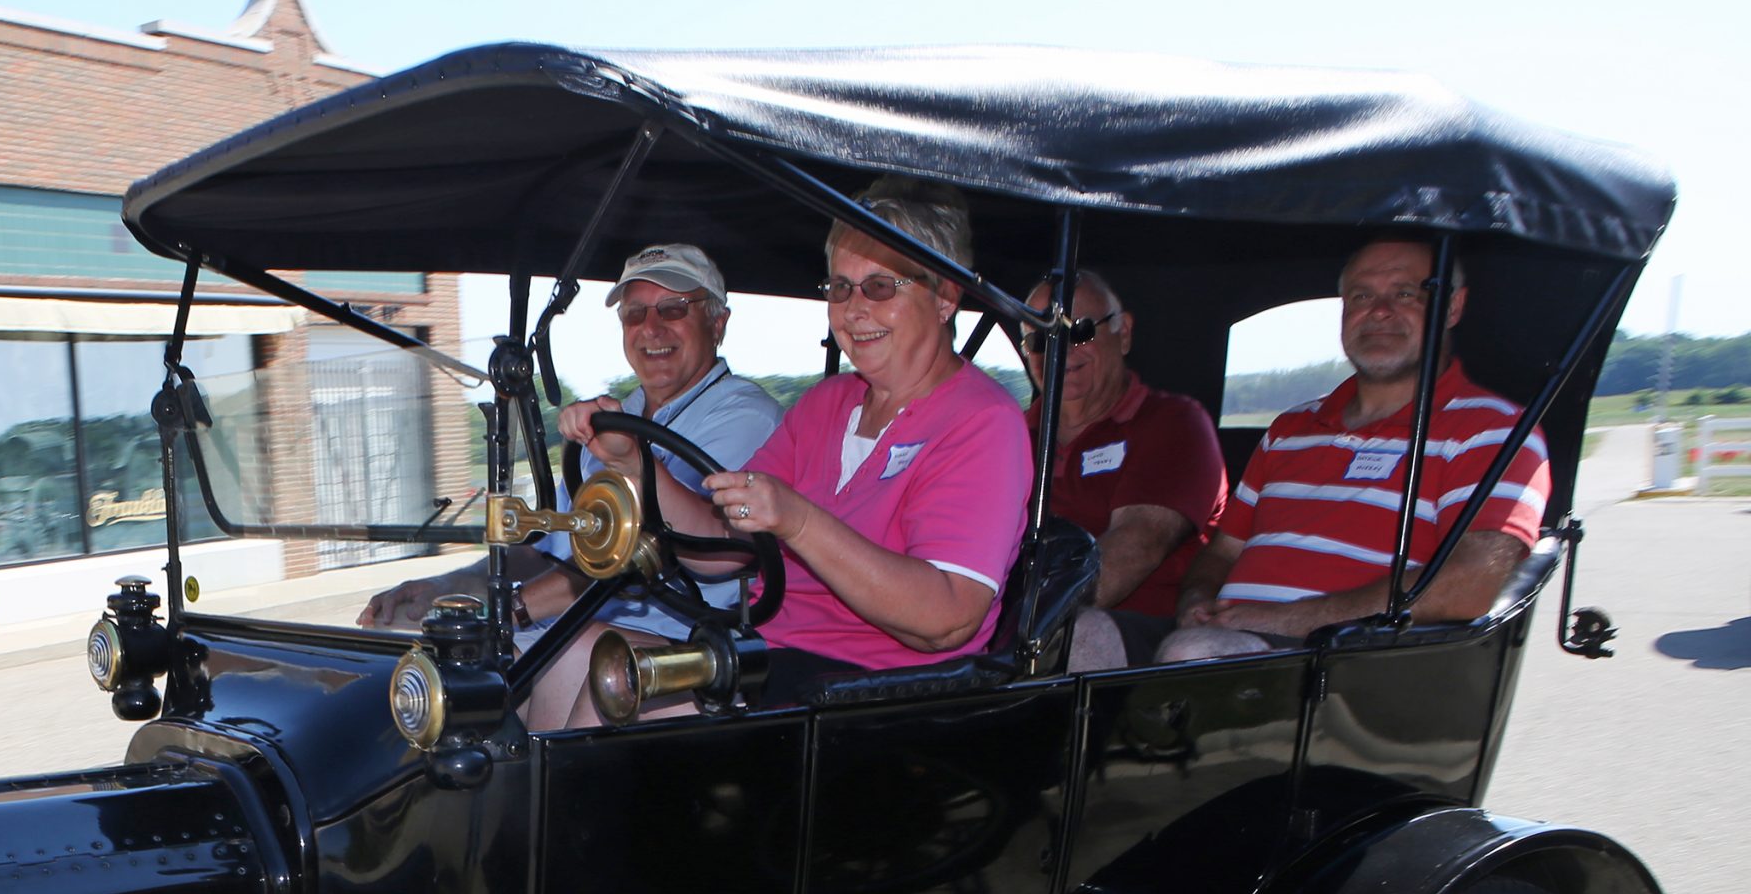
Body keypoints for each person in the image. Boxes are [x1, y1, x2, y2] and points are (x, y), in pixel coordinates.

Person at [358, 244, 780, 687]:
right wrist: (449, 588)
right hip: (579, 628)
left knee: (458, 671)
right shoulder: (619, 416)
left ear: (717, 323)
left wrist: (505, 612)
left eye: (673, 309)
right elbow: (552, 548)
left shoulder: (745, 416)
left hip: (677, 644)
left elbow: (657, 554)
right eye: (635, 314)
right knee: (397, 642)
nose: (651, 329)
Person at [691, 180, 1031, 699]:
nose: (853, 311)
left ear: (944, 296)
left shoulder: (983, 421)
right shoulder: (826, 405)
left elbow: (947, 618)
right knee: (584, 663)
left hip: (873, 693)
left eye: (879, 287)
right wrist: (631, 466)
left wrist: (799, 521)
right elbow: (715, 548)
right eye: (840, 288)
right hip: (767, 656)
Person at [1161, 237, 1549, 660]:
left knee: (1192, 651)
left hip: (1346, 660)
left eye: (1404, 293)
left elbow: (1474, 581)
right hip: (1223, 633)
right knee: (1082, 632)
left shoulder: (1494, 430)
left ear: (1452, 307)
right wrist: (1195, 600)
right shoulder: (1289, 430)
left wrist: (1279, 620)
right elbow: (1222, 552)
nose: (1379, 311)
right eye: (1362, 295)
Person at [1020, 270, 1228, 672]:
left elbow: (1135, 548)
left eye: (1078, 330)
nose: (1058, 350)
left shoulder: (1173, 423)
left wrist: (1019, 618)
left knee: (1078, 635)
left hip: (1137, 636)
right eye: (1039, 338)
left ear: (1125, 332)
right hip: (1018, 621)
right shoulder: (1008, 433)